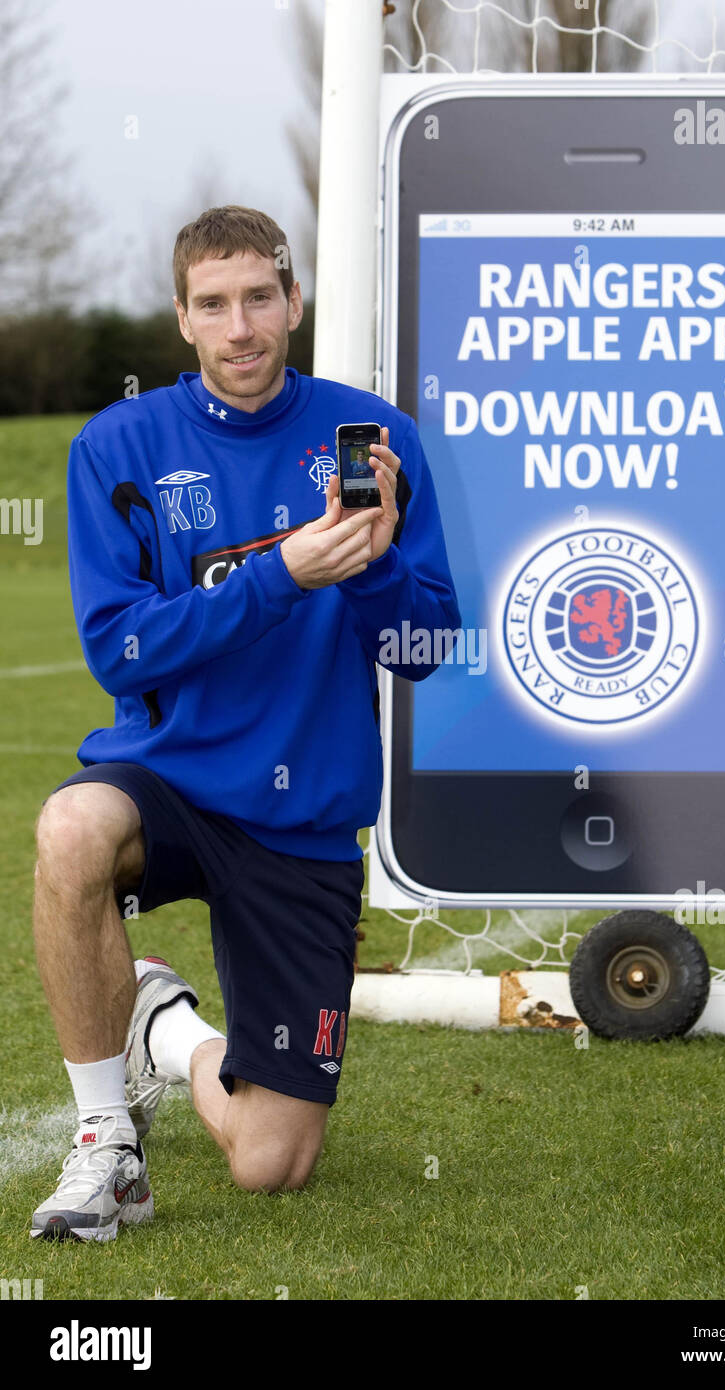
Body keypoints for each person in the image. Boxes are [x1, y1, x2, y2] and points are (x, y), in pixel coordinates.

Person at [29, 204, 460, 1241]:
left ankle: (161, 1021)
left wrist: (375, 565)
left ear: (292, 300)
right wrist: (281, 574)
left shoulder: (372, 438)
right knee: (70, 829)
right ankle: (107, 1150)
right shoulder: (119, 447)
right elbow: (118, 649)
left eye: (259, 297)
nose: (240, 328)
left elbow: (426, 652)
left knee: (272, 1165)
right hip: (168, 777)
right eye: (213, 305)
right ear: (181, 319)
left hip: (300, 816)